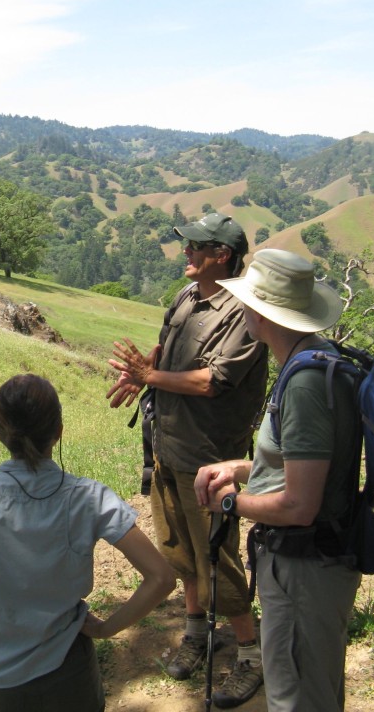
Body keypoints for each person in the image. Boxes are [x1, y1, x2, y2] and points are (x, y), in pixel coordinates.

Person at [0, 374, 175, 712]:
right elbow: (161, 578)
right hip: (71, 673)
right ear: (58, 431)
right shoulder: (89, 497)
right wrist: (106, 628)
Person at [106, 213, 268, 706]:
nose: (187, 252)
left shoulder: (242, 312)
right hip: (167, 446)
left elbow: (212, 382)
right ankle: (197, 633)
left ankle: (250, 656)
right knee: (179, 550)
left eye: (197, 246)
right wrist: (145, 373)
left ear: (223, 255)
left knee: (217, 556)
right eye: (188, 244)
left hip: (210, 459)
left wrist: (151, 378)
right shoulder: (187, 296)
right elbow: (166, 358)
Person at [195, 248, 362, 711]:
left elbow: (299, 504)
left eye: (247, 301)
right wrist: (241, 468)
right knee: (313, 687)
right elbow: (302, 464)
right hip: (307, 565)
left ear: (263, 314)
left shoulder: (306, 383)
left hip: (304, 569)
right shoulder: (311, 359)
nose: (241, 308)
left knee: (296, 695)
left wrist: (229, 503)